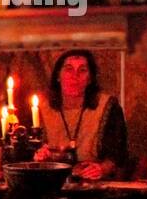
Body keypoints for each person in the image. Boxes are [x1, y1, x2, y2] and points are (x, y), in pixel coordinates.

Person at [32, 50, 128, 180]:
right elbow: (32, 154)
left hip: (93, 183)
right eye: (68, 69)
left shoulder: (108, 106)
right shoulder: (41, 110)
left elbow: (117, 154)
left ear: (90, 79)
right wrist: (41, 157)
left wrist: (102, 169)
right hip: (53, 181)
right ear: (58, 76)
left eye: (82, 70)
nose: (74, 76)